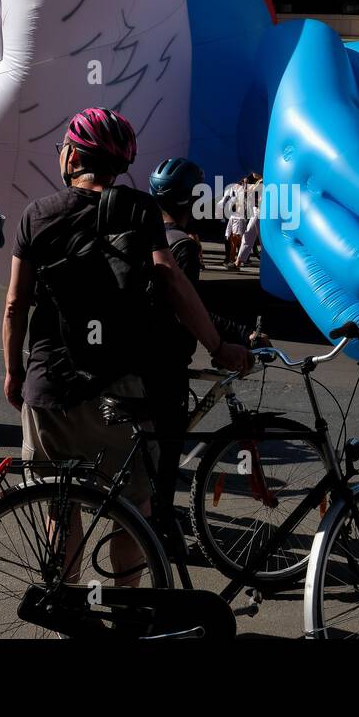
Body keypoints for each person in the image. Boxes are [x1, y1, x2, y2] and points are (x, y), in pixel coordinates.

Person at [2, 109, 251, 580]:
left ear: (72, 156)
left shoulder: (37, 214)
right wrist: (218, 344)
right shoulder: (138, 210)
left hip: (50, 381)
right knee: (132, 505)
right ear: (118, 167)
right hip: (119, 387)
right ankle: (125, 608)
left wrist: (14, 372)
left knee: (61, 502)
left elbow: (15, 304)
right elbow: (171, 281)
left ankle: (67, 610)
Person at [147, 156, 260, 516]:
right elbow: (190, 308)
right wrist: (236, 336)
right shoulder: (184, 247)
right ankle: (158, 528)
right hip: (164, 364)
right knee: (165, 453)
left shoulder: (144, 237)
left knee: (145, 451)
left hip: (132, 358)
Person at [218, 175, 249, 269]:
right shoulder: (231, 187)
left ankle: (239, 258)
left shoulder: (246, 187)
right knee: (229, 236)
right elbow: (224, 200)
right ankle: (229, 258)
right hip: (231, 214)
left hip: (242, 215)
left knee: (240, 237)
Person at [235, 172, 263, 269]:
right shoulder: (259, 181)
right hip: (257, 211)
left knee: (250, 236)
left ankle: (239, 261)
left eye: (255, 171)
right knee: (250, 236)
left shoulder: (263, 182)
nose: (253, 173)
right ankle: (239, 260)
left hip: (261, 212)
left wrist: (245, 186)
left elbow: (250, 192)